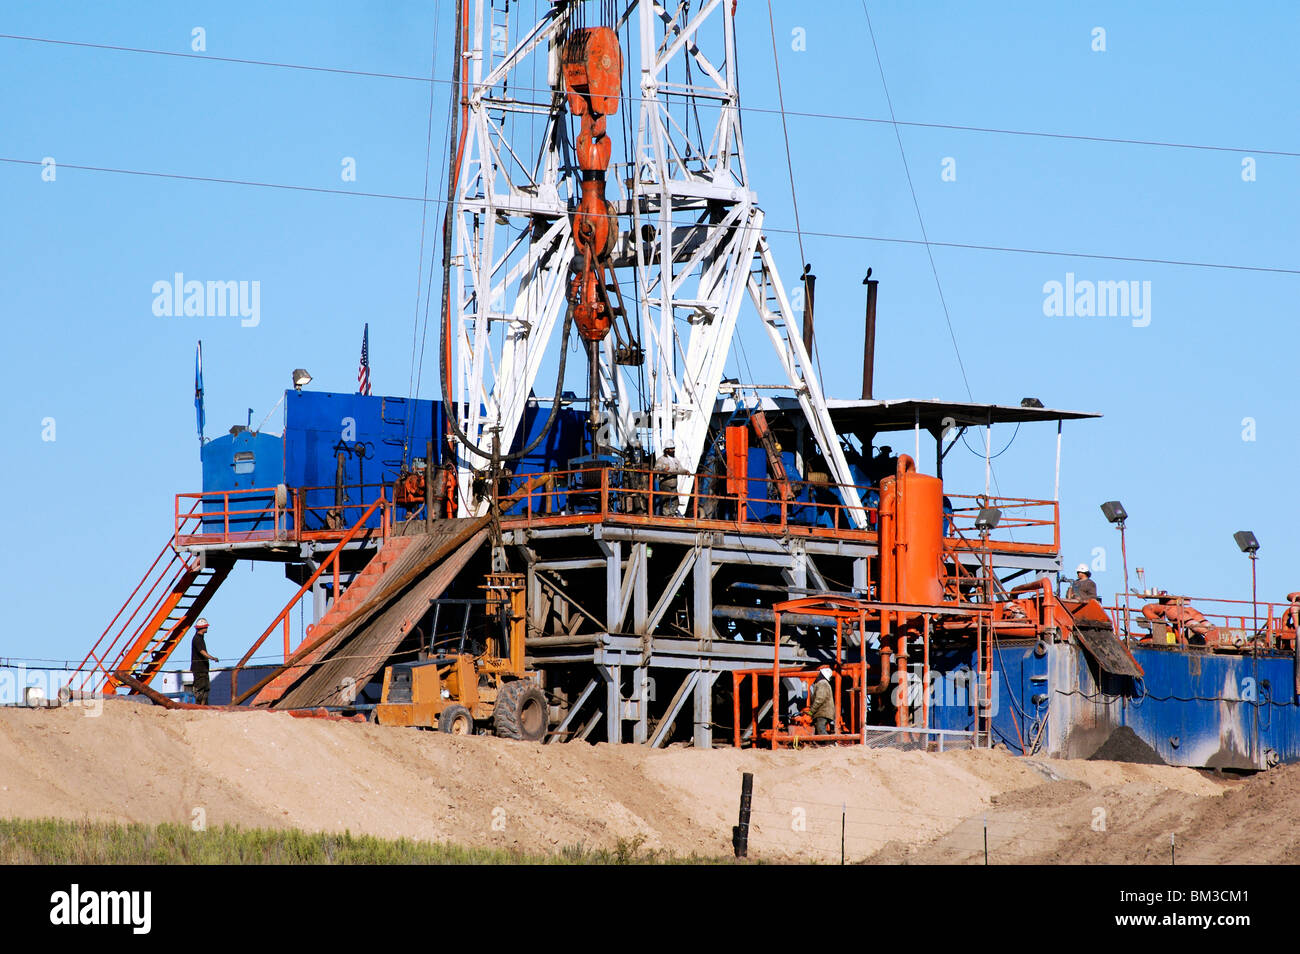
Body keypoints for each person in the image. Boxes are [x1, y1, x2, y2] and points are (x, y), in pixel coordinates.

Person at [190, 618, 219, 705]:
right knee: (200, 688)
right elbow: (202, 651)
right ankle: (198, 706)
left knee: (206, 689)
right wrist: (212, 658)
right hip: (199, 669)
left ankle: (203, 706)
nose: (207, 628)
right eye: (205, 627)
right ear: (202, 628)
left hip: (203, 669)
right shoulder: (197, 639)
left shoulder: (200, 638)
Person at [655, 442, 685, 516]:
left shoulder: (675, 460)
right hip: (665, 484)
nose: (673, 450)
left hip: (673, 484)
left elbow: (680, 469)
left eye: (673, 448)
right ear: (667, 450)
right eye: (671, 449)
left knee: (675, 501)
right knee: (666, 500)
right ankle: (666, 515)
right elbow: (655, 470)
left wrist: (686, 471)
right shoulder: (661, 460)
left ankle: (672, 514)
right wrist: (663, 470)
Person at [808, 666, 835, 735]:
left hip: (823, 712)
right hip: (824, 712)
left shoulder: (822, 683)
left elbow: (819, 699)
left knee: (821, 729)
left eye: (819, 673)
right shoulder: (824, 683)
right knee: (818, 730)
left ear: (822, 675)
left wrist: (811, 711)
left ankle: (829, 744)